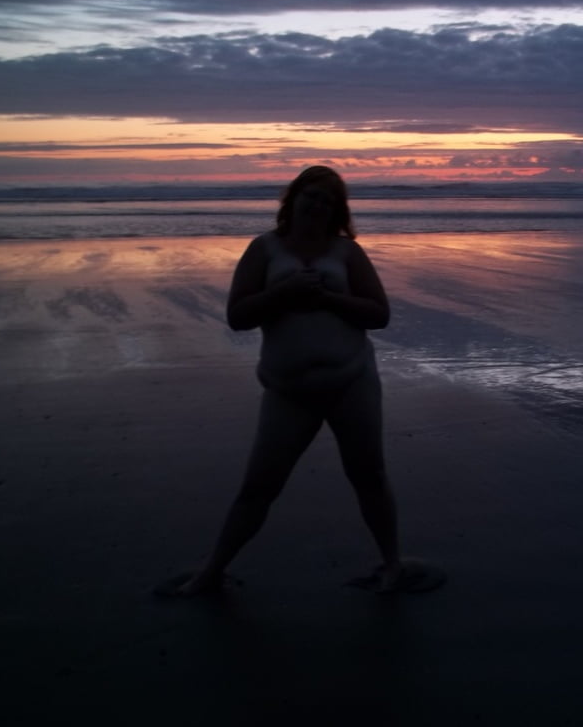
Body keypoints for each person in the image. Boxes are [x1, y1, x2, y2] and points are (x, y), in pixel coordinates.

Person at [157, 166, 411, 596]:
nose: (317, 205)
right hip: (288, 391)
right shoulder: (264, 249)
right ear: (291, 199)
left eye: (327, 201)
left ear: (337, 211)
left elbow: (379, 314)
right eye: (310, 196)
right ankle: (211, 571)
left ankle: (392, 564)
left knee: (369, 475)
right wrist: (283, 293)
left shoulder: (348, 253)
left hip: (351, 382)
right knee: (259, 485)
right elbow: (237, 317)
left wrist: (327, 297)